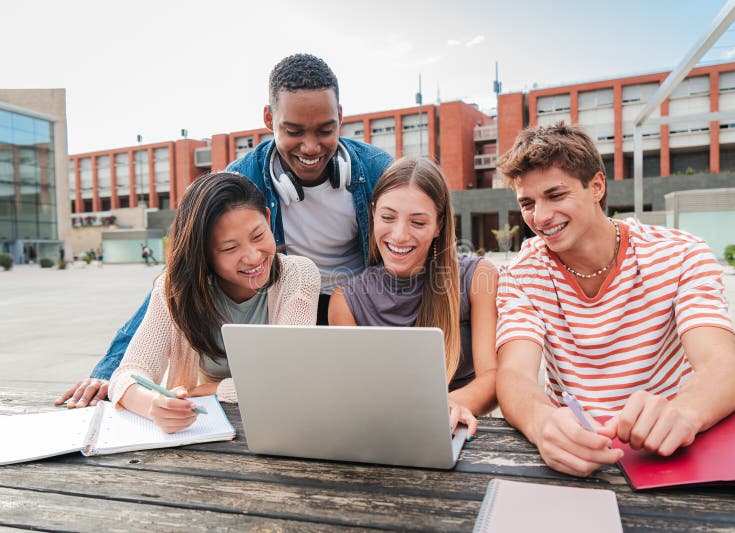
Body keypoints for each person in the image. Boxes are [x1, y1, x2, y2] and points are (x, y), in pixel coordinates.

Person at [56, 53, 393, 408]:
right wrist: (111, 370)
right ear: (269, 119)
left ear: (340, 117)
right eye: (293, 132)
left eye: (325, 130)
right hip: (283, 300)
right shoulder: (241, 179)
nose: (311, 147)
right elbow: (178, 278)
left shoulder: (376, 171)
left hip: (348, 308)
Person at [494, 122, 735, 477]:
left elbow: (724, 368)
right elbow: (514, 375)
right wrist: (542, 423)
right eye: (527, 203)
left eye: (555, 195)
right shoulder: (521, 274)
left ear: (596, 186)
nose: (541, 217)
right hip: (572, 452)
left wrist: (686, 412)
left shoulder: (682, 254)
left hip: (667, 450)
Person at [108, 171, 320, 432]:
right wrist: (154, 405)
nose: (254, 257)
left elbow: (290, 378)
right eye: (230, 248)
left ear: (267, 218)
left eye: (258, 236)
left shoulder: (298, 274)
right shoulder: (174, 290)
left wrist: (210, 389)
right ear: (203, 253)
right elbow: (126, 374)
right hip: (205, 426)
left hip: (278, 425)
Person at [328, 158, 499, 438]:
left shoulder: (478, 278)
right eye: (387, 217)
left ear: (439, 225)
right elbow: (354, 390)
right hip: (381, 434)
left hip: (459, 432)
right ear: (372, 214)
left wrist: (452, 404)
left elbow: (493, 378)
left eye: (418, 222)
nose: (399, 235)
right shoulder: (346, 300)